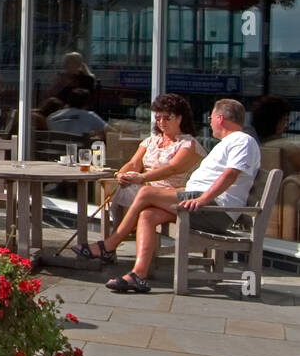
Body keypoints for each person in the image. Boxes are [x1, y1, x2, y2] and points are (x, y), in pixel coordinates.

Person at [84, 99, 260, 294]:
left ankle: (109, 245)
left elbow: (230, 174)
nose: (209, 122)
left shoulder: (242, 140)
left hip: (214, 209)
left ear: (220, 118)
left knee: (146, 192)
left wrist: (201, 200)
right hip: (201, 204)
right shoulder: (226, 143)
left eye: (211, 118)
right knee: (148, 214)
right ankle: (138, 275)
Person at [75, 93, 202, 257]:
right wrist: (121, 174)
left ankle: (111, 244)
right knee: (124, 186)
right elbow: (134, 163)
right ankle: (111, 244)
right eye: (158, 118)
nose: (162, 122)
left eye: (167, 118)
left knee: (133, 190)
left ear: (180, 118)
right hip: (147, 190)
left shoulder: (188, 144)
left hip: (172, 194)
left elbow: (173, 168)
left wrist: (141, 178)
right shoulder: (152, 140)